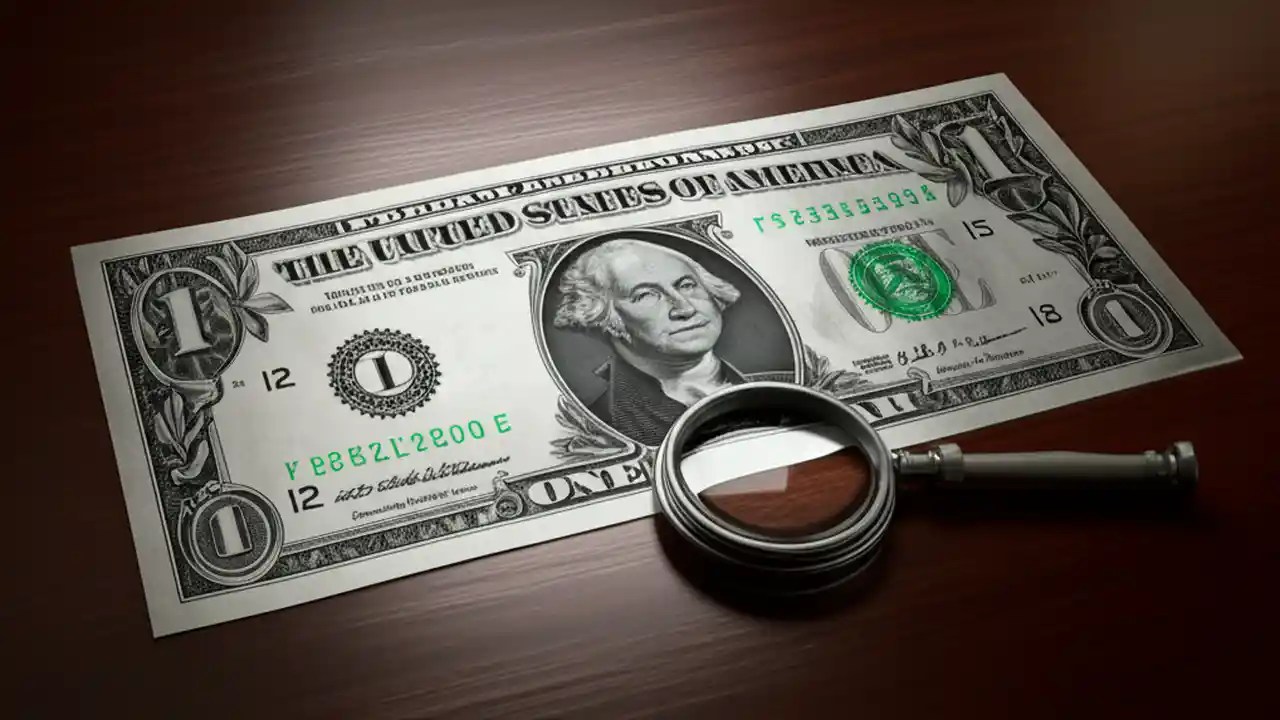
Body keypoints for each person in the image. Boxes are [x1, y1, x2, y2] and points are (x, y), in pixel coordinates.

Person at [553, 238, 750, 445]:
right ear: (602, 317)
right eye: (646, 295)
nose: (685, 308)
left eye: (686, 285)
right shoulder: (599, 432)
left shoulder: (777, 385)